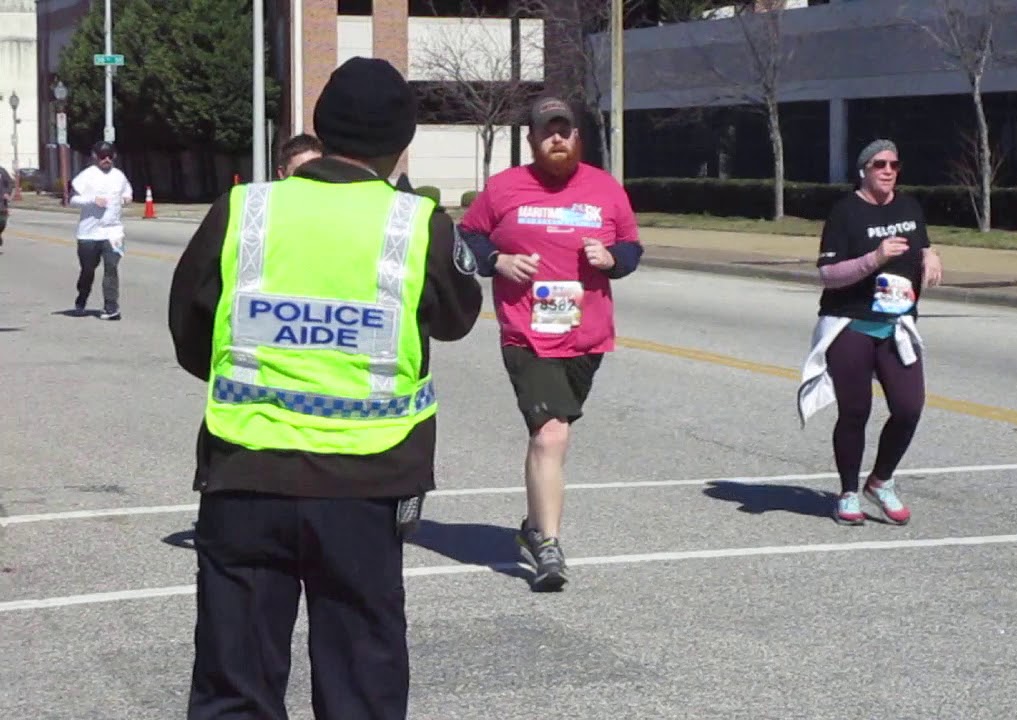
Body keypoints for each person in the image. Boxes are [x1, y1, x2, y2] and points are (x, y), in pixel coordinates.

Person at [167, 56, 484, 719]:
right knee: (360, 683)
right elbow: (457, 319)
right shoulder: (415, 224)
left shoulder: (245, 209)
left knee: (235, 685)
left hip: (245, 475)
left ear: (319, 126)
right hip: (364, 488)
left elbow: (193, 334)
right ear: (404, 141)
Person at [458, 95, 643, 592]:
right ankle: (549, 546)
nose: (557, 138)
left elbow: (631, 247)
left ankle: (534, 524)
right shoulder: (504, 189)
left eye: (565, 130)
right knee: (549, 434)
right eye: (547, 131)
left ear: (577, 137)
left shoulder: (604, 189)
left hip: (586, 336)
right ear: (533, 140)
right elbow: (467, 237)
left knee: (556, 434)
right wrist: (496, 261)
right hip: (527, 331)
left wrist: (612, 259)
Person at [796, 139, 943, 527]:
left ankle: (880, 481)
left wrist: (931, 255)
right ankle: (847, 492)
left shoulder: (909, 207)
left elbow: (922, 243)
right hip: (850, 323)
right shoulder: (845, 212)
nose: (888, 170)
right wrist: (874, 259)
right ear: (863, 169)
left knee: (909, 407)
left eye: (894, 164)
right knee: (855, 411)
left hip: (898, 323)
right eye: (879, 164)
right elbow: (828, 274)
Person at [70, 141, 133, 319]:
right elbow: (72, 200)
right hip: (89, 233)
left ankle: (111, 307)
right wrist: (91, 200)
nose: (106, 160)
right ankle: (82, 298)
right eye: (102, 156)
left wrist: (127, 197)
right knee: (88, 270)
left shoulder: (119, 176)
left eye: (109, 156)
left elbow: (128, 191)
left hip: (113, 231)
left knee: (111, 267)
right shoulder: (86, 176)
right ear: (95, 157)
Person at [0, 166, 12, 248]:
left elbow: (9, 183)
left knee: (2, 223)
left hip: (1, 203)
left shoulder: (2, 171)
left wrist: (7, 192)